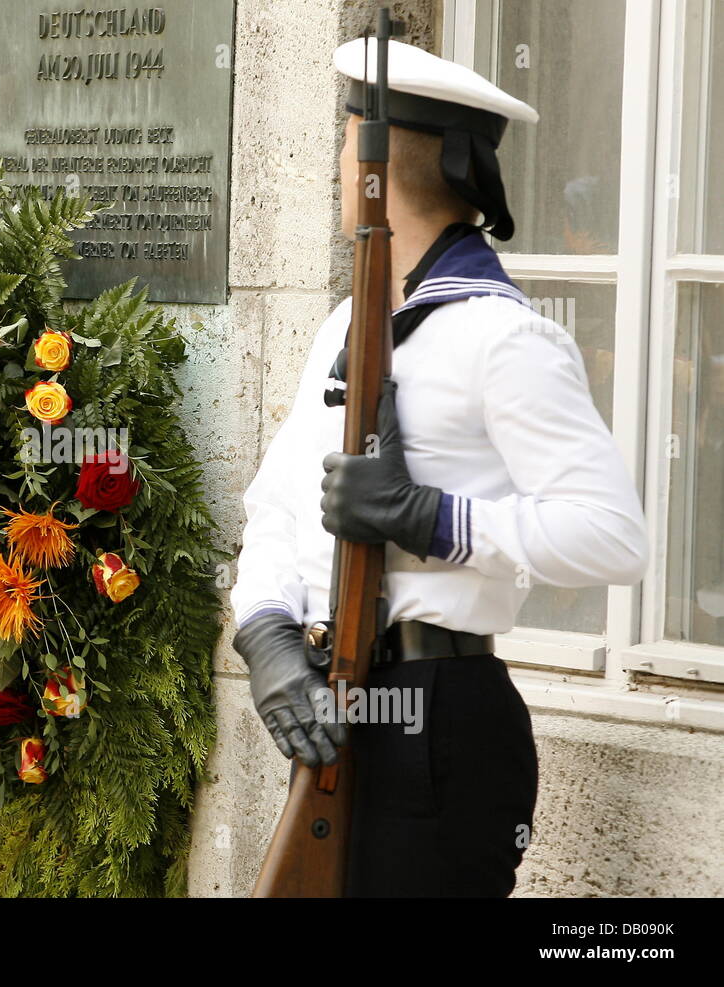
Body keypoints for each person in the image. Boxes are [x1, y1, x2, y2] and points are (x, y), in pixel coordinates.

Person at [229, 40, 649, 897]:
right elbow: (275, 504)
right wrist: (266, 632)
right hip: (337, 703)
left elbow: (613, 537)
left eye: (348, 147)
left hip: (443, 717)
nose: (343, 167)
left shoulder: (507, 337)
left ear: (373, 170)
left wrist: (433, 518)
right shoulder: (348, 320)